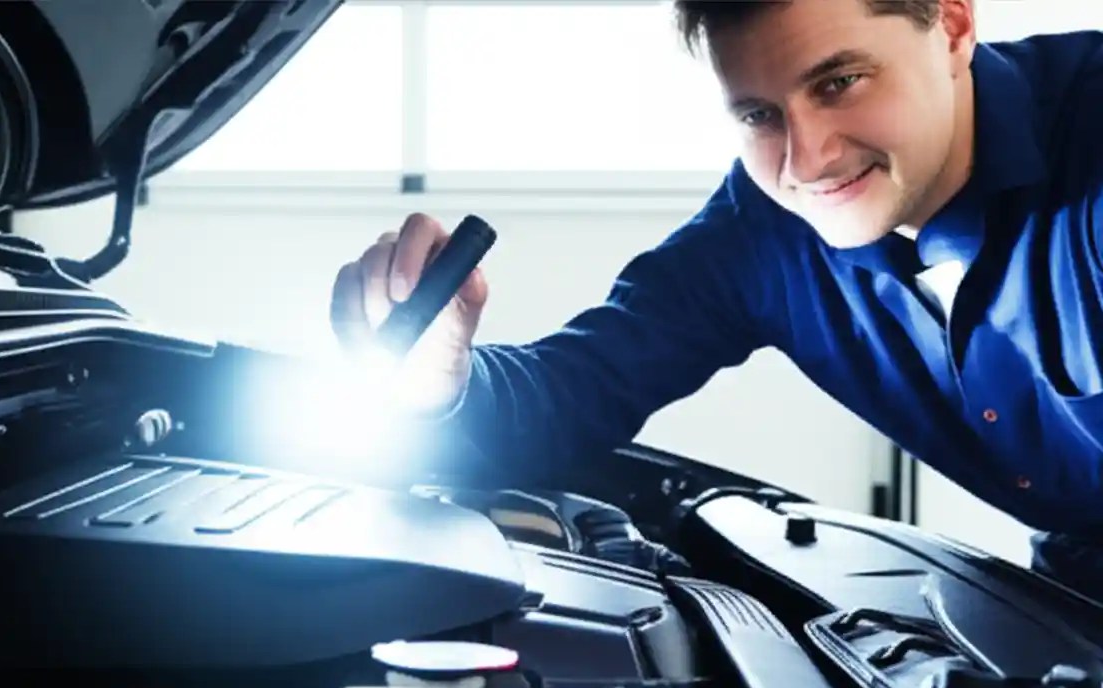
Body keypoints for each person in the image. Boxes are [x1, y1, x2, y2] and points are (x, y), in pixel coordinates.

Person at [330, 0, 1103, 597]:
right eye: (759, 115)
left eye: (839, 82)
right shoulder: (765, 226)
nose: (806, 161)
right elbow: (574, 388)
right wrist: (442, 381)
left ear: (954, 24)